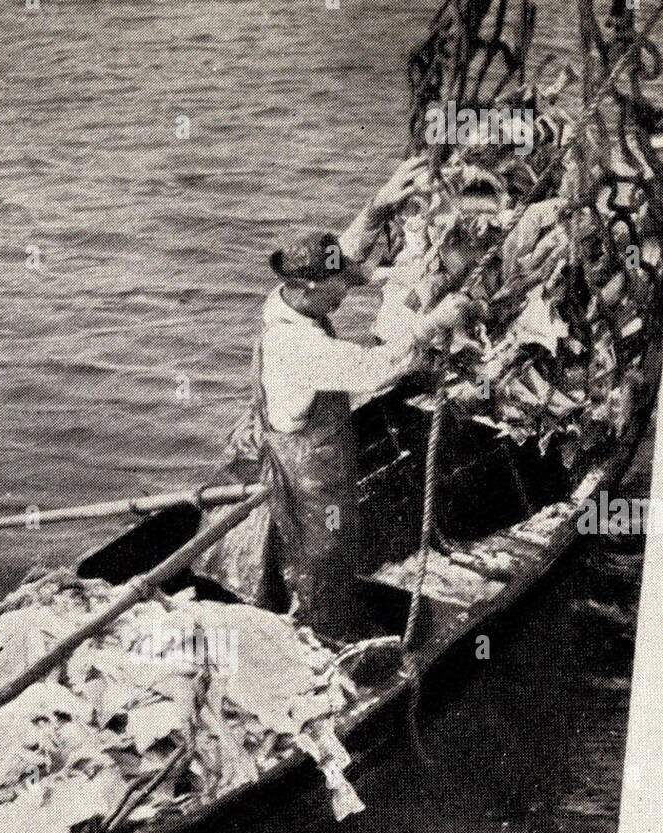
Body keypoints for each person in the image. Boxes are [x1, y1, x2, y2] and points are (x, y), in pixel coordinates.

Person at [198, 156, 473, 641]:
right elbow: (375, 368)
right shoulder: (298, 347)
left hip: (302, 447)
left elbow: (339, 259)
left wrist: (376, 209)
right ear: (304, 291)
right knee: (323, 551)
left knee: (322, 544)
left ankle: (311, 609)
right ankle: (318, 634)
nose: (345, 292)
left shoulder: (289, 298)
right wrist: (436, 321)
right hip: (311, 475)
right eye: (336, 290)